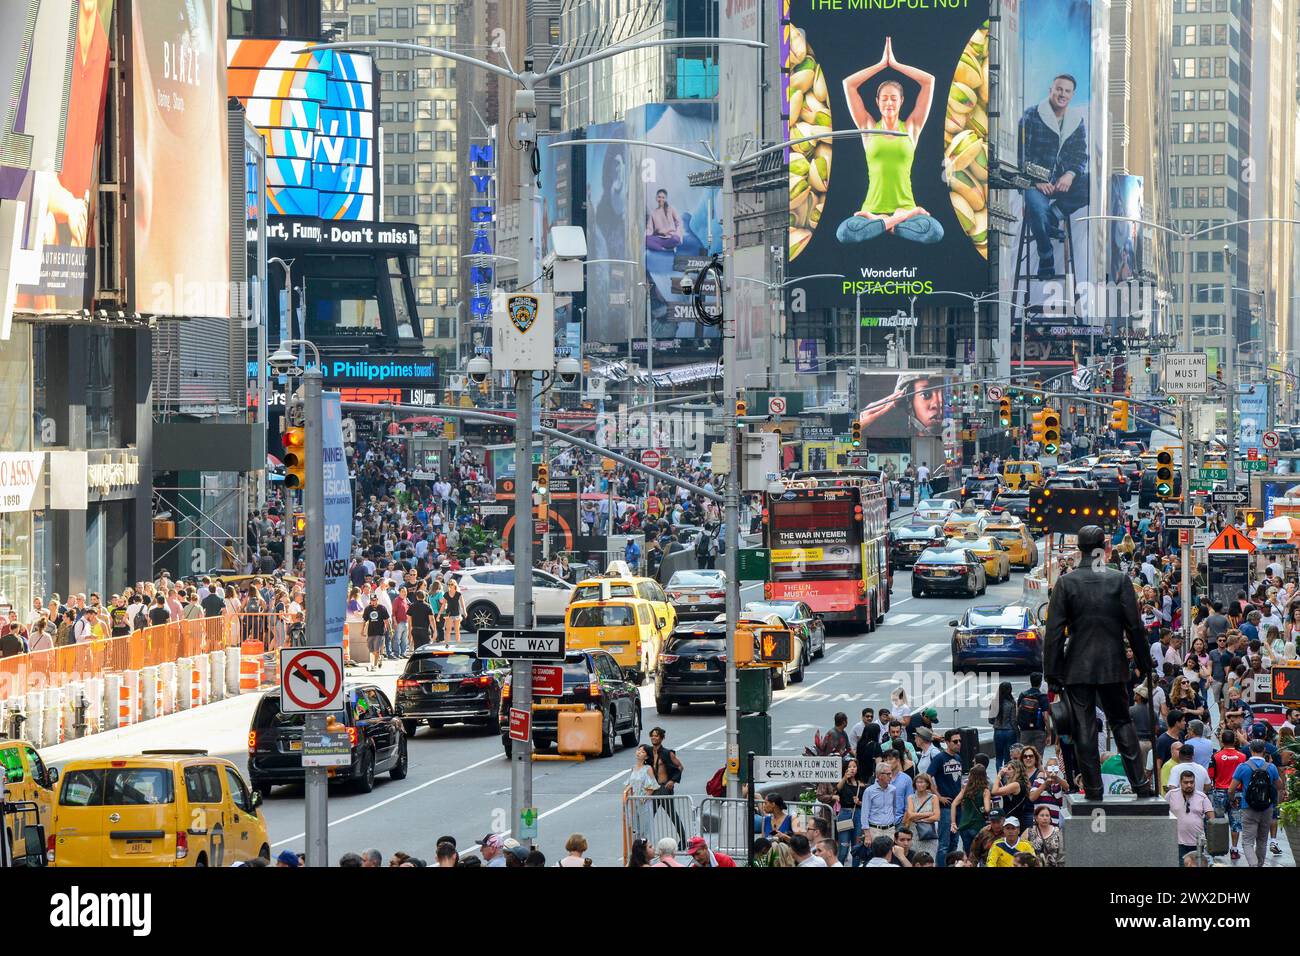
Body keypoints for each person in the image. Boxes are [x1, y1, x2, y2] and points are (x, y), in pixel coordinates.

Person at [1044, 525, 1152, 800]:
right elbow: (1135, 627)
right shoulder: (1119, 580)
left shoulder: (1066, 583)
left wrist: (1053, 673)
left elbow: (1054, 633)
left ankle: (1093, 789)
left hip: (1077, 666)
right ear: (1104, 547)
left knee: (1084, 727)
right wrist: (1144, 662)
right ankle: (1140, 784)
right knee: (1122, 721)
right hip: (1113, 664)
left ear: (1078, 548)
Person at [836, 37, 943, 246]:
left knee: (934, 231)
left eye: (894, 98)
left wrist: (895, 64)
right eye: (884, 98)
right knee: (845, 232)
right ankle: (891, 222)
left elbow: (929, 81)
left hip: (906, 208)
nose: (889, 103)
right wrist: (881, 65)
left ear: (902, 101)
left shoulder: (911, 128)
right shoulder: (867, 127)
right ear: (877, 102)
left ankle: (886, 224)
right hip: (871, 211)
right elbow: (848, 84)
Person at [1018, 73, 1089, 278]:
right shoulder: (1031, 115)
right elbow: (1021, 155)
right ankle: (1045, 253)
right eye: (1059, 89)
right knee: (1036, 211)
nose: (1062, 94)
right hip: (1035, 184)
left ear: (1072, 95)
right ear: (1051, 90)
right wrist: (1036, 180)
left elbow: (1080, 155)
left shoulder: (1076, 120)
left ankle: (1054, 214)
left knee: (1093, 184)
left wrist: (1069, 174)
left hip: (1061, 183)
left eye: (1067, 91)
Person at [1227, 739, 1283, 867]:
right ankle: (1259, 865)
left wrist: (1232, 800)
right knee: (1262, 840)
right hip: (1267, 808)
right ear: (1264, 751)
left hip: (1248, 808)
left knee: (1247, 842)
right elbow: (1279, 786)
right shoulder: (1271, 767)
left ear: (1250, 750)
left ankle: (1253, 864)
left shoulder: (1243, 767)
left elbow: (1231, 789)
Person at [1168, 769, 1215, 862]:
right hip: (1177, 842)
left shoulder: (1202, 797)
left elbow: (1212, 819)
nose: (1189, 785)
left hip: (1197, 843)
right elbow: (1163, 814)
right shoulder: (1171, 795)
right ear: (1180, 782)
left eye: (1191, 782)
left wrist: (1211, 840)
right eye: (1186, 782)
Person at [623, 744, 657, 840]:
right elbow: (630, 783)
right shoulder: (633, 768)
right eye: (638, 750)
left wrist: (645, 797)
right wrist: (625, 795)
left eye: (642, 752)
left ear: (646, 756)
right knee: (634, 826)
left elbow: (652, 785)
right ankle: (636, 849)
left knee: (645, 826)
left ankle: (647, 848)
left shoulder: (648, 768)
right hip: (633, 800)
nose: (639, 753)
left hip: (644, 800)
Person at [904, 772, 941, 861]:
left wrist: (919, 818)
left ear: (927, 784)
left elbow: (936, 817)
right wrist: (929, 814)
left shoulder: (933, 797)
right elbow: (911, 815)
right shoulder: (911, 797)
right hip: (914, 834)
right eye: (918, 782)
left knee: (929, 860)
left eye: (922, 782)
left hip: (929, 834)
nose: (920, 784)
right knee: (916, 860)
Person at [1016, 673, 1050, 754]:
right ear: (1040, 683)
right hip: (1039, 730)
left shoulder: (1023, 695)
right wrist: (1049, 733)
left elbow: (1017, 713)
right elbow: (1045, 717)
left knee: (1024, 756)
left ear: (1030, 681)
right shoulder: (1043, 697)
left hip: (1025, 730)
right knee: (1038, 756)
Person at [989, 681, 1018, 769]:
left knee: (999, 758)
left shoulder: (994, 702)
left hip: (998, 731)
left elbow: (990, 720)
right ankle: (1007, 777)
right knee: (1008, 758)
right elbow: (1013, 720)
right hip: (1010, 732)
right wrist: (1017, 732)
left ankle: (999, 778)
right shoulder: (1012, 703)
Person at [362, 593, 390, 672]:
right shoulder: (368, 609)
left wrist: (389, 630)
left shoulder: (382, 608)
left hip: (380, 631)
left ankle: (374, 665)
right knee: (370, 648)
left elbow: (386, 620)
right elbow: (365, 620)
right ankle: (380, 657)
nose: (373, 602)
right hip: (371, 631)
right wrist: (362, 630)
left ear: (377, 600)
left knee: (376, 649)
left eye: (374, 600)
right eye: (372, 600)